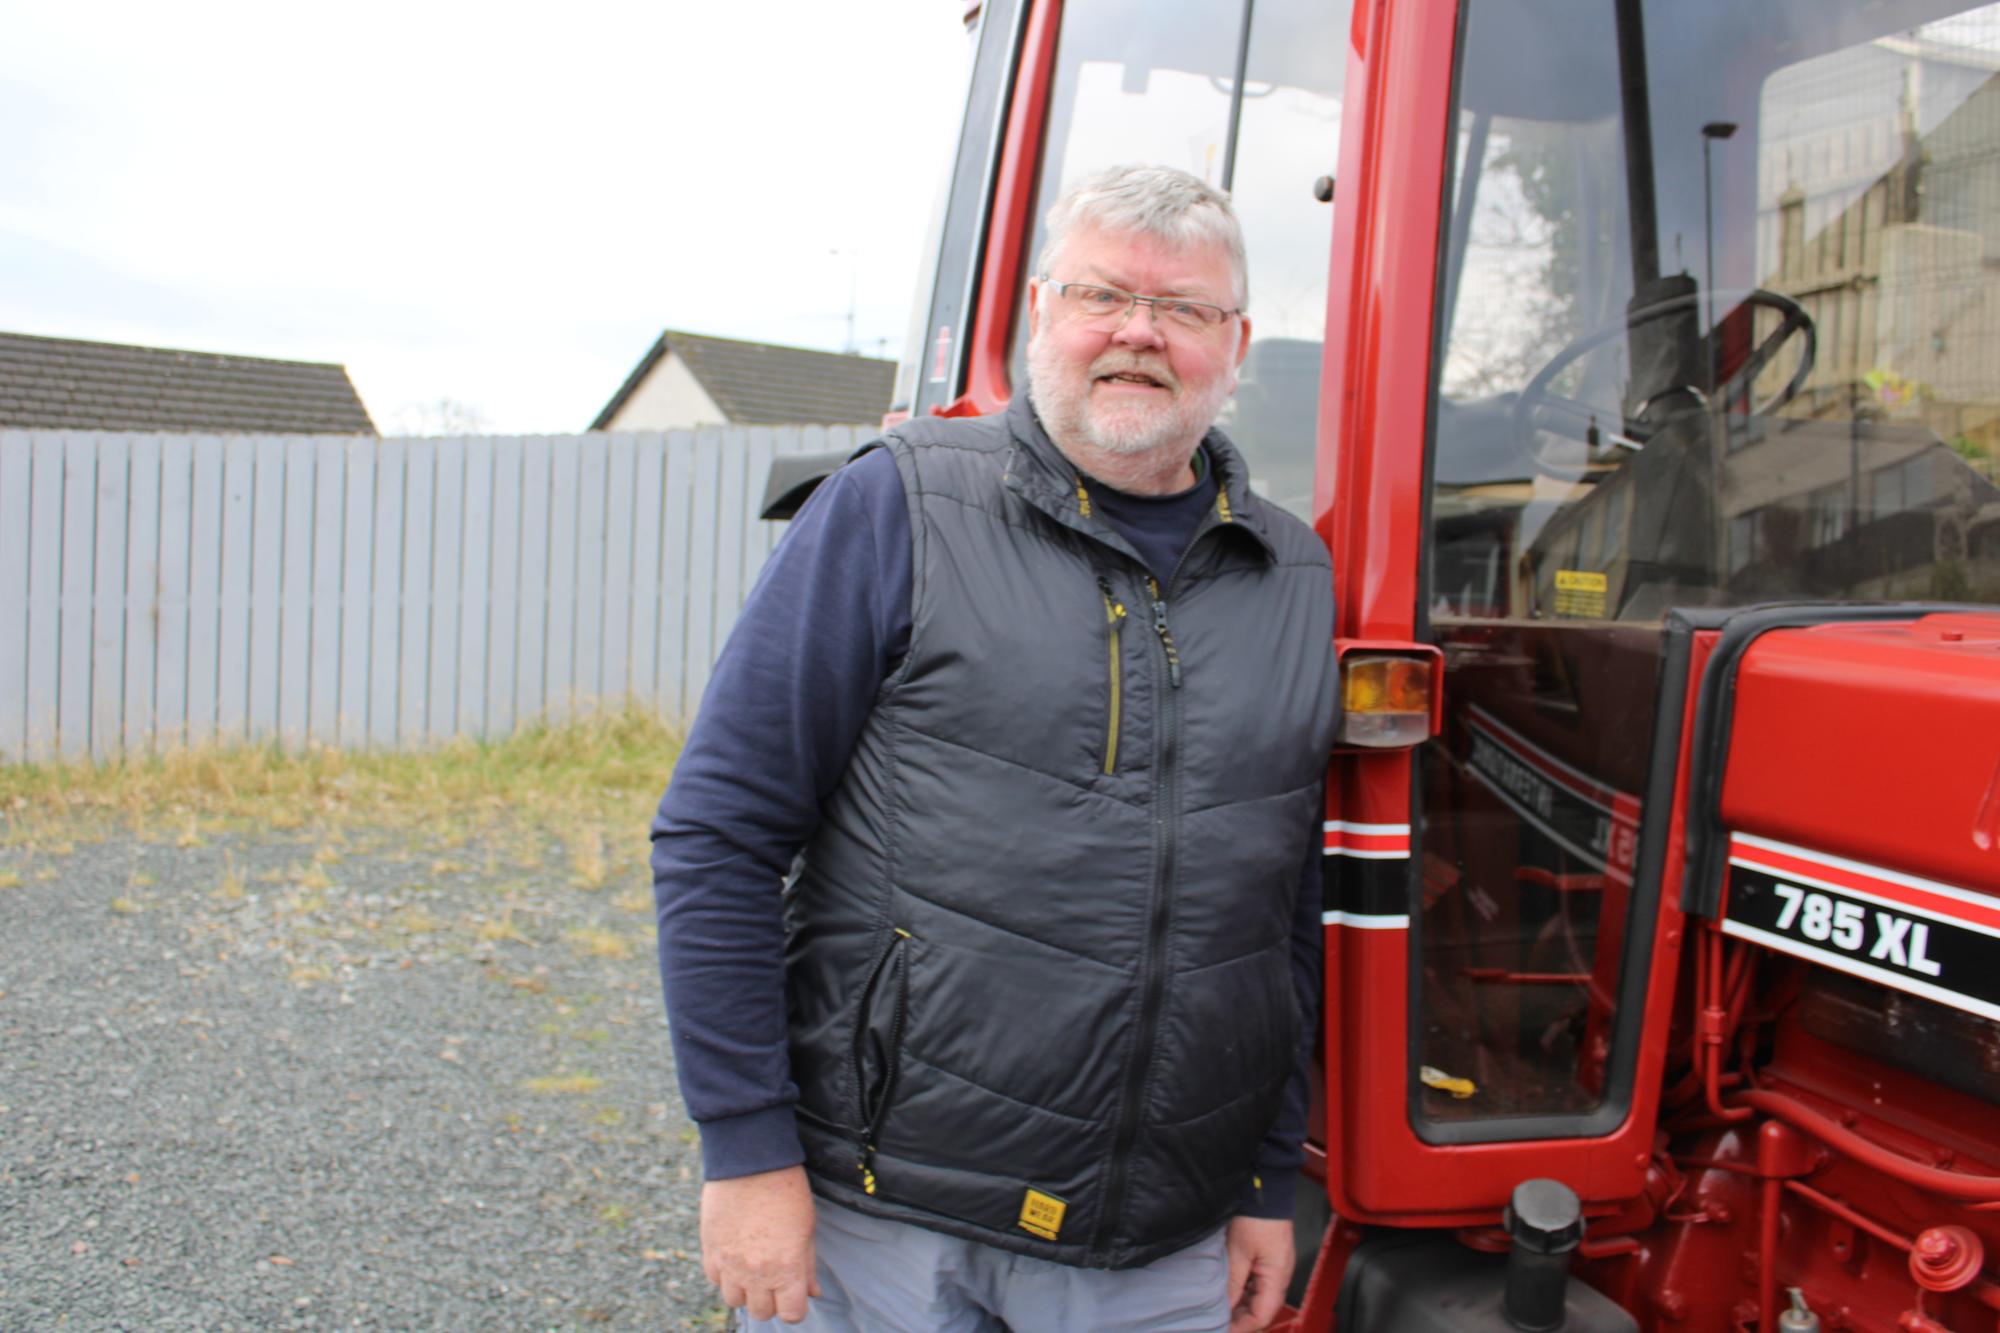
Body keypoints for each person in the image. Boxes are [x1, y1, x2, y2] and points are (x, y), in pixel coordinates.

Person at [651, 164, 1338, 1333]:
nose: (1137, 332)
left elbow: (1278, 911)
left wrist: (1269, 1176)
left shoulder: (1291, 575)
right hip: (889, 1225)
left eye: (1183, 309)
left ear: (1236, 345)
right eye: (1102, 294)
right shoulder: (896, 506)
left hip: (1157, 1242)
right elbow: (717, 832)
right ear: (1038, 314)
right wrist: (747, 1152)